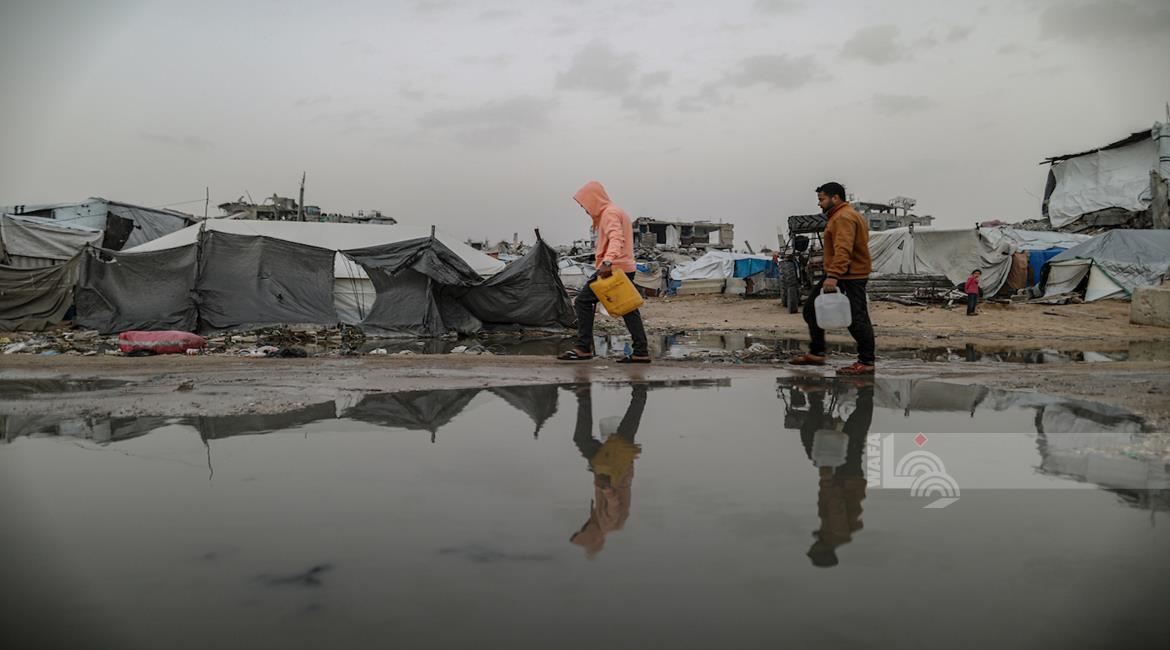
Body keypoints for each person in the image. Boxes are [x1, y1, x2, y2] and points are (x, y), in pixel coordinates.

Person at [557, 181, 650, 363]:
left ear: (594, 199)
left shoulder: (609, 214)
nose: (585, 209)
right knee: (629, 310)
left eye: (585, 204)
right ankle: (641, 351)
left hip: (613, 269)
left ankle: (583, 347)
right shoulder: (616, 211)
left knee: (583, 302)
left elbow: (617, 238)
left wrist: (607, 262)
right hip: (625, 268)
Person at [790, 182, 876, 375]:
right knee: (811, 310)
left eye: (822, 199)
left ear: (835, 198)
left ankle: (866, 361)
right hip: (844, 273)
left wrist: (834, 275)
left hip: (849, 275)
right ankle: (817, 353)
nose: (819, 204)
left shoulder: (843, 217)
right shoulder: (842, 215)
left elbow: (843, 249)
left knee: (857, 318)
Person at [568, 383, 647, 557]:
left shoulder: (596, 521)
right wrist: (606, 489)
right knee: (626, 431)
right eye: (583, 530)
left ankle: (584, 395)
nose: (583, 526)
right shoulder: (610, 525)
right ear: (591, 535)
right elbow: (614, 506)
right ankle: (640, 391)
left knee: (581, 440)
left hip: (602, 469)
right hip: (618, 471)